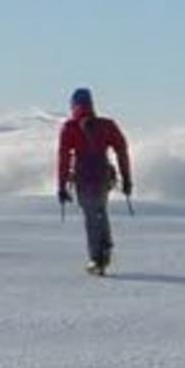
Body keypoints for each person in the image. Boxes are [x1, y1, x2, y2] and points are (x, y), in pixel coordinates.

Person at [57, 88, 132, 275]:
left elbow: (64, 158)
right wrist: (127, 178)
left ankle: (96, 258)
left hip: (84, 177)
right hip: (103, 176)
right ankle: (104, 247)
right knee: (99, 210)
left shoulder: (70, 127)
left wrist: (61, 185)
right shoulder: (107, 125)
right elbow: (122, 150)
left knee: (91, 215)